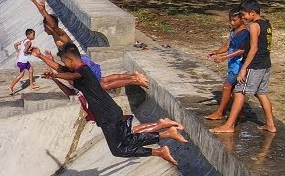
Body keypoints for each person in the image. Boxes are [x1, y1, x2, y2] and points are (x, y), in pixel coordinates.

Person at [47, 46, 188, 165]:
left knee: (119, 148)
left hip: (107, 115)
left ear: (71, 60)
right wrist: (54, 77)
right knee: (127, 141)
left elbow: (70, 76)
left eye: (65, 61)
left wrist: (56, 75)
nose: (64, 65)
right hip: (109, 113)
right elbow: (67, 82)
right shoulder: (79, 75)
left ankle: (164, 139)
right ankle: (164, 142)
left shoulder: (84, 71)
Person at [213, 0, 276, 134]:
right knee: (261, 93)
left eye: (244, 14)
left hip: (254, 65)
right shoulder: (266, 23)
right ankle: (270, 124)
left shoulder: (254, 26)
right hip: (266, 64)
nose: (243, 17)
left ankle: (229, 125)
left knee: (239, 91)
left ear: (252, 13)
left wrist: (243, 69)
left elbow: (253, 49)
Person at [205, 8, 250, 121]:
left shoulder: (245, 34)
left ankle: (220, 112)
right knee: (234, 89)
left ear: (242, 20)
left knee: (227, 86)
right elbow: (227, 46)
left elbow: (242, 50)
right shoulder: (233, 32)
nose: (232, 23)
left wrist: (225, 57)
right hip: (232, 65)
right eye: (230, 20)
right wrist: (216, 51)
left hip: (239, 65)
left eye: (234, 20)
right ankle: (241, 112)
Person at [9, 29, 38, 94]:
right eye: (33, 35)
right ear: (28, 35)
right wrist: (30, 52)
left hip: (22, 60)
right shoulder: (29, 42)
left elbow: (15, 44)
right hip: (23, 61)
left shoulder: (24, 40)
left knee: (31, 70)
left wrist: (17, 51)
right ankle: (11, 86)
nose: (34, 36)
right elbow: (25, 51)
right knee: (22, 74)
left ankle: (31, 85)